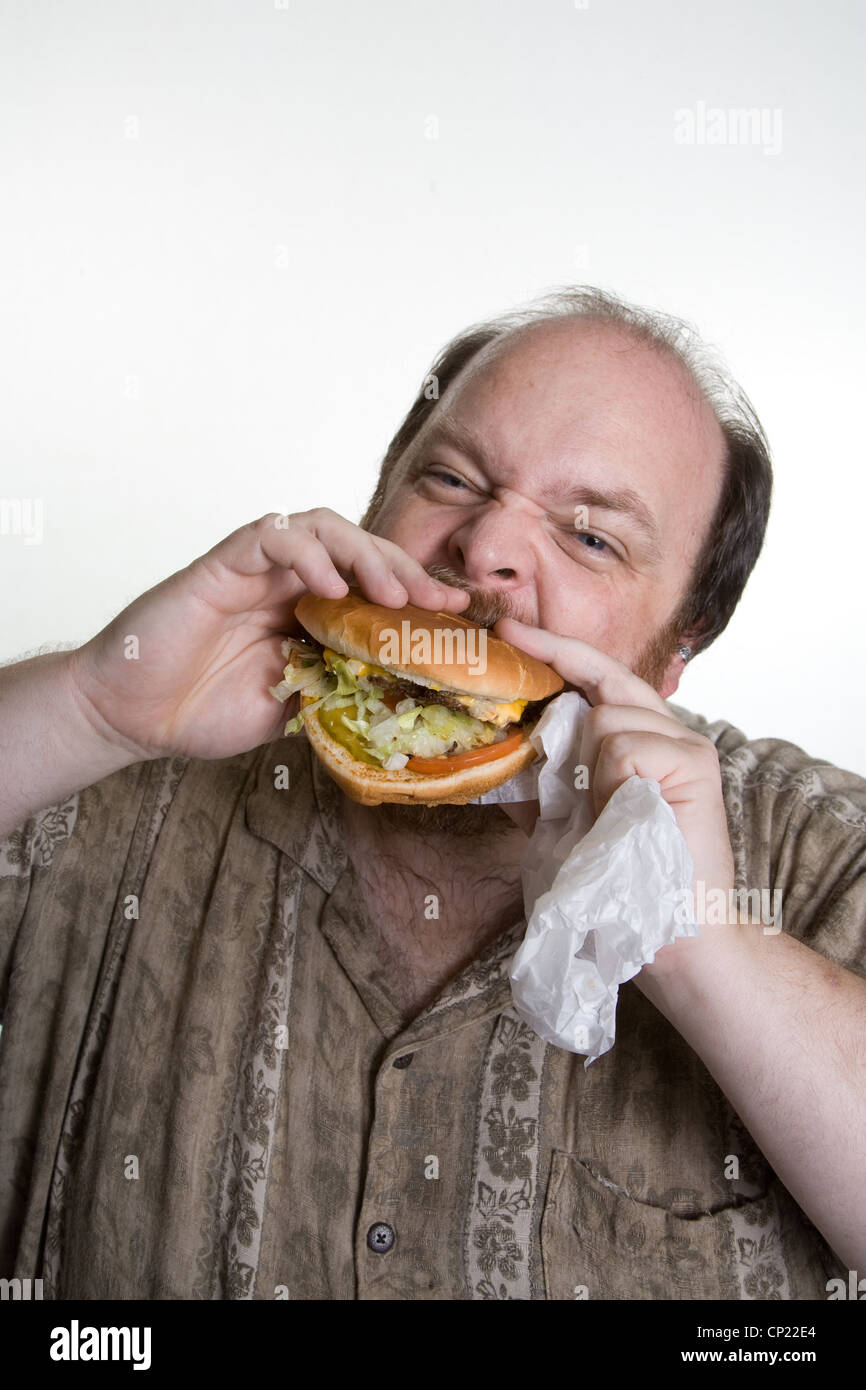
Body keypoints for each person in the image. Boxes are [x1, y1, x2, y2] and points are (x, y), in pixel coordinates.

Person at [1, 287, 863, 1301]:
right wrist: (94, 706)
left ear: (677, 652)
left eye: (589, 535)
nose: (485, 544)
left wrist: (700, 946)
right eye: (450, 477)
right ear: (375, 503)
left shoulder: (815, 851)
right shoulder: (115, 782)